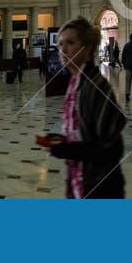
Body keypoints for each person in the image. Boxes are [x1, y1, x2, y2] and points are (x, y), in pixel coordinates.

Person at [39, 17, 127, 199]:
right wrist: (62, 141)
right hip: (79, 180)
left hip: (101, 187)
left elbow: (112, 149)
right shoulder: (76, 82)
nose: (62, 50)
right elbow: (84, 134)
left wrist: (67, 150)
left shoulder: (95, 86)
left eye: (70, 43)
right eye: (60, 44)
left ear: (86, 49)